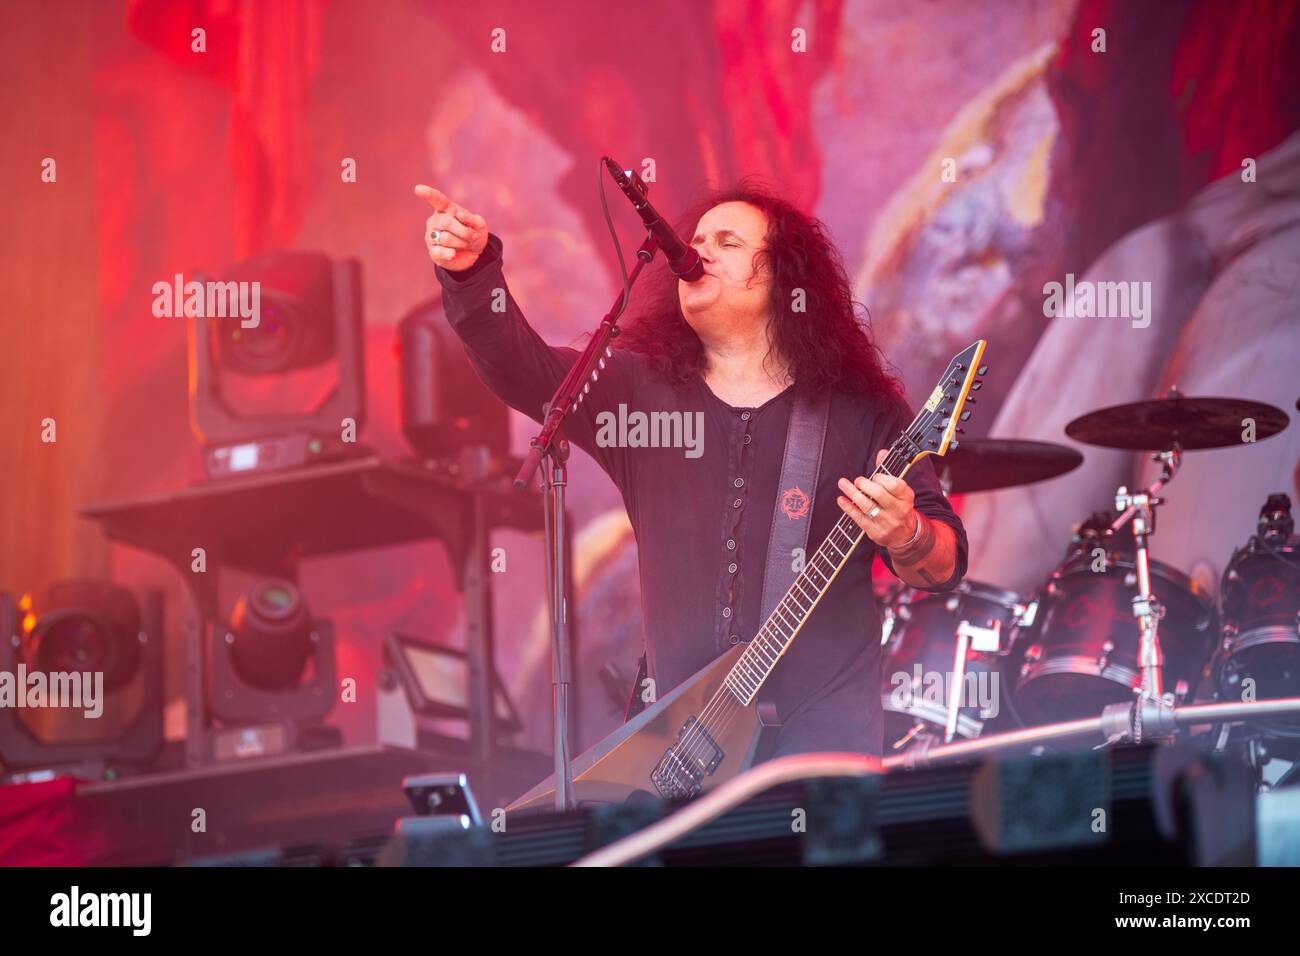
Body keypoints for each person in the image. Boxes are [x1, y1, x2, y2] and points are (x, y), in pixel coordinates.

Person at [414, 178, 967, 759]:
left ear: (786, 278)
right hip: (683, 761)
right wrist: (474, 275)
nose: (697, 252)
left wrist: (907, 536)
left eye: (727, 242)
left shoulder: (860, 412)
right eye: (696, 238)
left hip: (821, 754)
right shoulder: (637, 392)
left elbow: (943, 566)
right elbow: (523, 368)